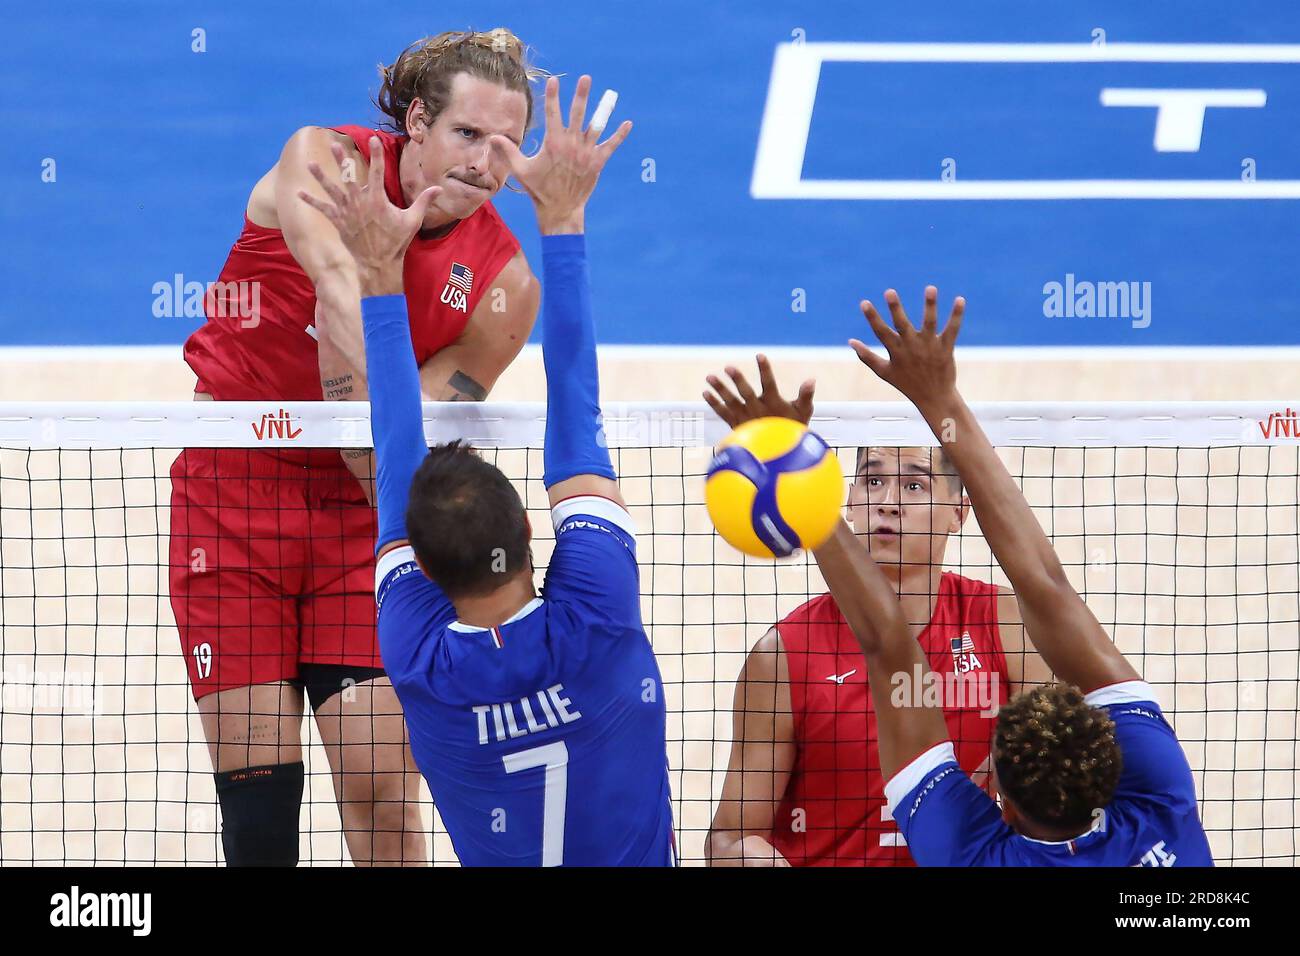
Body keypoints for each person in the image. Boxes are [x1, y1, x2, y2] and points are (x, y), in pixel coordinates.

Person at [168, 29, 542, 866]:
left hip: (364, 520)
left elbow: (404, 442)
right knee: (260, 797)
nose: (488, 164)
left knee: (381, 791)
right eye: (468, 134)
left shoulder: (506, 287)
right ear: (416, 119)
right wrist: (380, 434)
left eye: (510, 145)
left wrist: (397, 501)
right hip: (233, 491)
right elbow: (343, 296)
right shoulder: (322, 162)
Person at [301, 73, 675, 866]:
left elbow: (396, 459)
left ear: (424, 570)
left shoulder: (420, 662)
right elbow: (573, 417)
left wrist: (375, 276)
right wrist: (564, 219)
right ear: (535, 532)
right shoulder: (596, 624)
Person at [826, 286, 1211, 865]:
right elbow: (1039, 590)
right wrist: (941, 401)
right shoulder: (1161, 807)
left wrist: (795, 489)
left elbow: (888, 647)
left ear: (999, 801)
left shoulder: (977, 856)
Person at [703, 356, 1050, 865]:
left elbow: (1055, 808)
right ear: (844, 500)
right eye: (870, 481)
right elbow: (730, 839)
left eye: (914, 484)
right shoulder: (782, 656)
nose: (887, 502)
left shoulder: (1006, 627)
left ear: (959, 510)